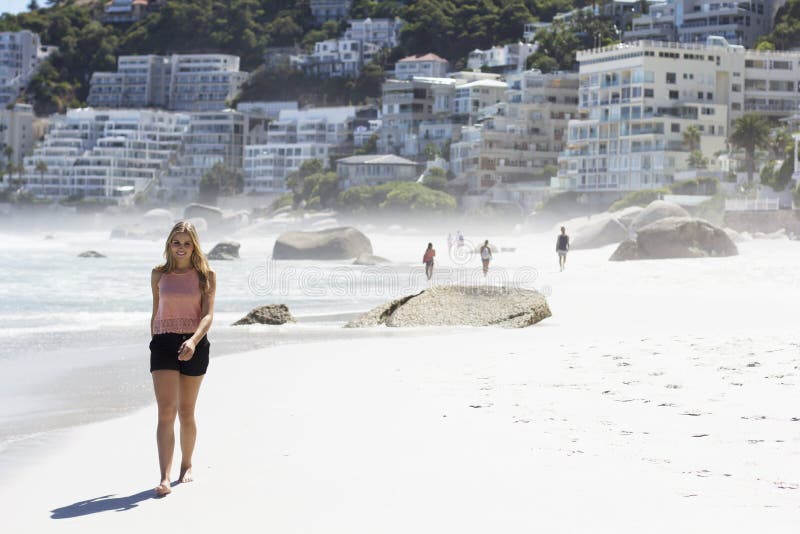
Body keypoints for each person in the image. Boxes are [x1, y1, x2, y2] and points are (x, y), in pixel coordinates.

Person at [150, 221, 216, 497]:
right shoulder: (158, 274)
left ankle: (186, 466)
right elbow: (155, 310)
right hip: (163, 343)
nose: (181, 248)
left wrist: (193, 340)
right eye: (176, 242)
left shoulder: (206, 275)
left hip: (195, 343)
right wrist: (154, 338)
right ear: (169, 244)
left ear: (194, 246)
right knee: (166, 411)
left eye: (187, 243)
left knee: (186, 411)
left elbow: (208, 314)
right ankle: (164, 477)